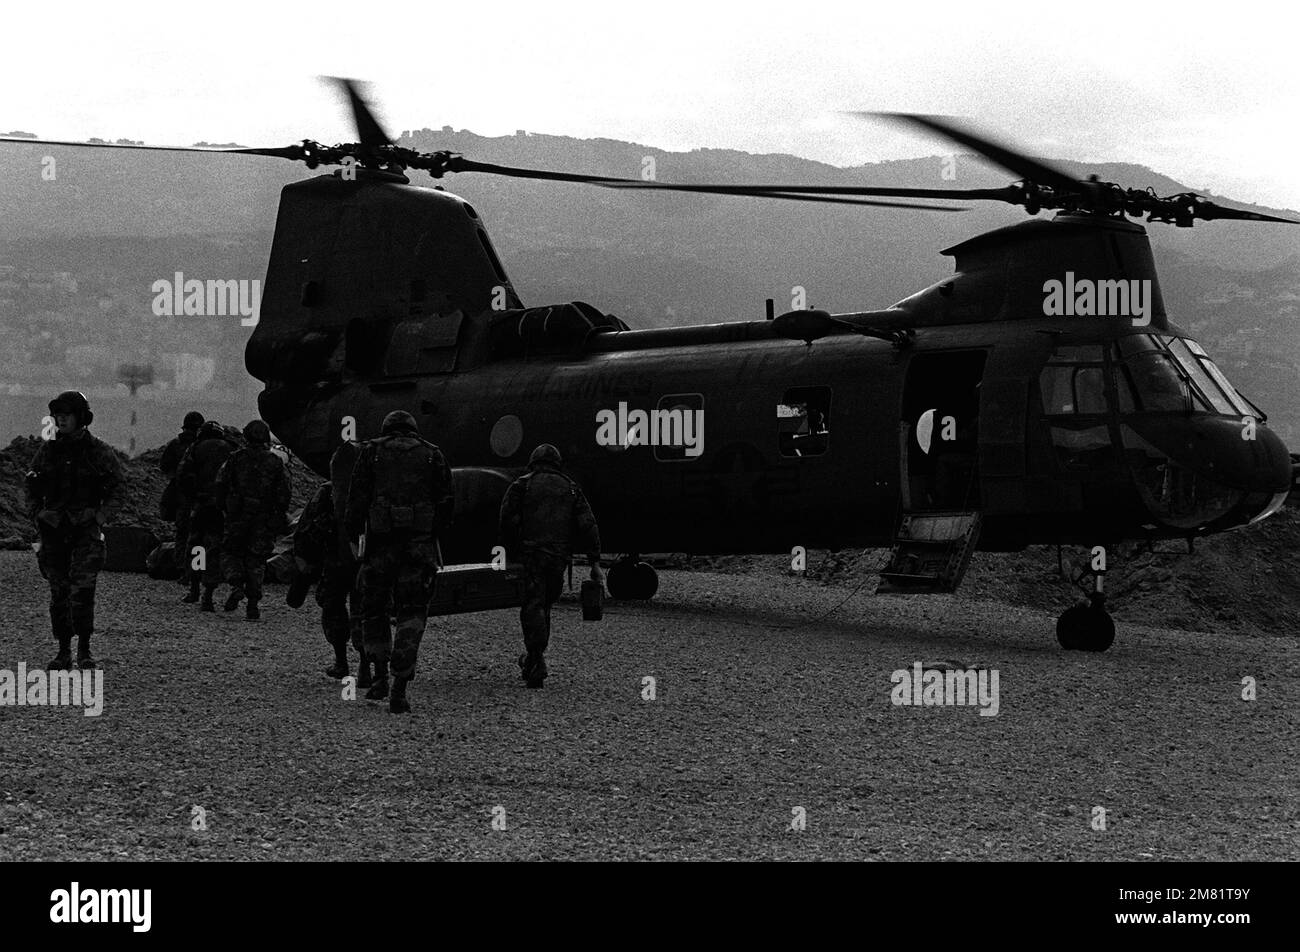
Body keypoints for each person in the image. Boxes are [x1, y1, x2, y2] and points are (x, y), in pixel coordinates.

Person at [345, 411, 454, 714]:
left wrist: (354, 536)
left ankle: (379, 676)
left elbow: (356, 500)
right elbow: (447, 503)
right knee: (413, 613)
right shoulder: (433, 455)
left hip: (380, 548)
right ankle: (400, 688)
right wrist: (431, 534)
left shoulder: (371, 452)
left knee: (374, 610)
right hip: (418, 549)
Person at [25, 390, 124, 670]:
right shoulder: (48, 451)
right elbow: (31, 487)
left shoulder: (98, 451)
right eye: (58, 415)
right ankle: (63, 650)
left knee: (83, 591)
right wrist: (38, 515)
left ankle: (84, 648)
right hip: (54, 531)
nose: (61, 419)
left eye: (67, 415)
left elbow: (118, 488)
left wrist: (101, 517)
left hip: (85, 532)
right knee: (59, 593)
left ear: (81, 418)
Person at [498, 443, 601, 689]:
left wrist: (509, 552)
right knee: (545, 606)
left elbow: (506, 521)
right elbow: (588, 525)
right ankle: (535, 657)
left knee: (533, 605)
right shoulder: (571, 488)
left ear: (533, 462)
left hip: (531, 556)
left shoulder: (522, 485)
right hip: (558, 559)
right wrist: (594, 562)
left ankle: (535, 659)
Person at [292, 441, 370, 684]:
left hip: (335, 562)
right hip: (364, 563)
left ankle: (341, 662)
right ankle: (365, 667)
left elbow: (306, 528)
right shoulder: (373, 491)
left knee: (333, 608)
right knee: (364, 611)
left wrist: (305, 561)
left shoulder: (328, 491)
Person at [216, 419, 290, 621]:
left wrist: (224, 508)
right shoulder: (276, 462)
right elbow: (284, 493)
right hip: (263, 519)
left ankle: (236, 585)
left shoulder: (235, 458)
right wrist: (278, 516)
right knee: (256, 560)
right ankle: (253, 604)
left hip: (237, 517)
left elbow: (221, 483)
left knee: (231, 553)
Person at [177, 420, 238, 608]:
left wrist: (192, 497)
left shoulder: (196, 448)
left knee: (197, 547)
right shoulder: (231, 450)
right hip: (221, 508)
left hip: (201, 505)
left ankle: (195, 588)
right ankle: (208, 593)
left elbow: (183, 475)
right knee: (214, 548)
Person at [159, 410, 203, 573]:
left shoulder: (176, 444)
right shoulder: (203, 446)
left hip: (181, 496)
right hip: (200, 497)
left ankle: (181, 568)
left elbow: (164, 466)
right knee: (199, 535)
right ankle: (198, 568)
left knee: (182, 533)